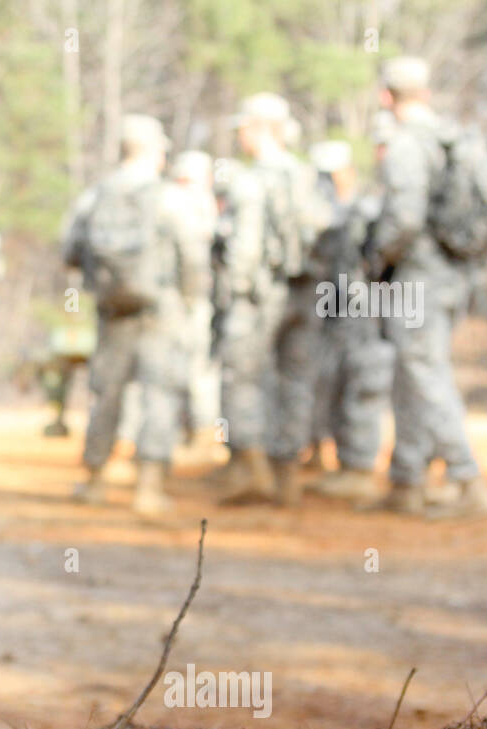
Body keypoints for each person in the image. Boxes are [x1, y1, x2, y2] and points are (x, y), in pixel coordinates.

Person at [362, 57, 487, 519]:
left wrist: (375, 257)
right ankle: (406, 481)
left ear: (387, 96)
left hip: (418, 277)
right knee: (412, 371)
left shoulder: (406, 144)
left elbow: (403, 218)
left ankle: (468, 480)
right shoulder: (451, 138)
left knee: (423, 371)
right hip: (453, 276)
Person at [64, 114, 207, 517]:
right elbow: (192, 257)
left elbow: (70, 251)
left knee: (106, 392)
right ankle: (148, 487)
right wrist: (190, 300)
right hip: (162, 308)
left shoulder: (95, 195)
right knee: (158, 393)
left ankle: (94, 480)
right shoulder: (169, 197)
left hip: (113, 310)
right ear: (155, 151)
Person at [214, 92, 330, 506]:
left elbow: (243, 245)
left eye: (244, 128)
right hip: (305, 294)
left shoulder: (251, 178)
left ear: (259, 128)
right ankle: (289, 479)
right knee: (296, 381)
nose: (240, 137)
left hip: (260, 294)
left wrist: (239, 291)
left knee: (241, 376)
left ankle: (254, 468)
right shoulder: (307, 176)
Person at [305, 135, 394, 503]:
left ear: (348, 172)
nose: (327, 182)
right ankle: (340, 461)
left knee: (363, 384)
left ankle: (359, 467)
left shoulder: (367, 207)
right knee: (335, 384)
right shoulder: (330, 212)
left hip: (363, 312)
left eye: (333, 173)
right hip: (334, 311)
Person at [166, 150, 220, 456]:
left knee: (189, 370)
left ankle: (196, 436)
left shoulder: (166, 200)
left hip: (181, 302)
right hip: (189, 301)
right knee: (198, 370)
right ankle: (198, 437)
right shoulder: (194, 203)